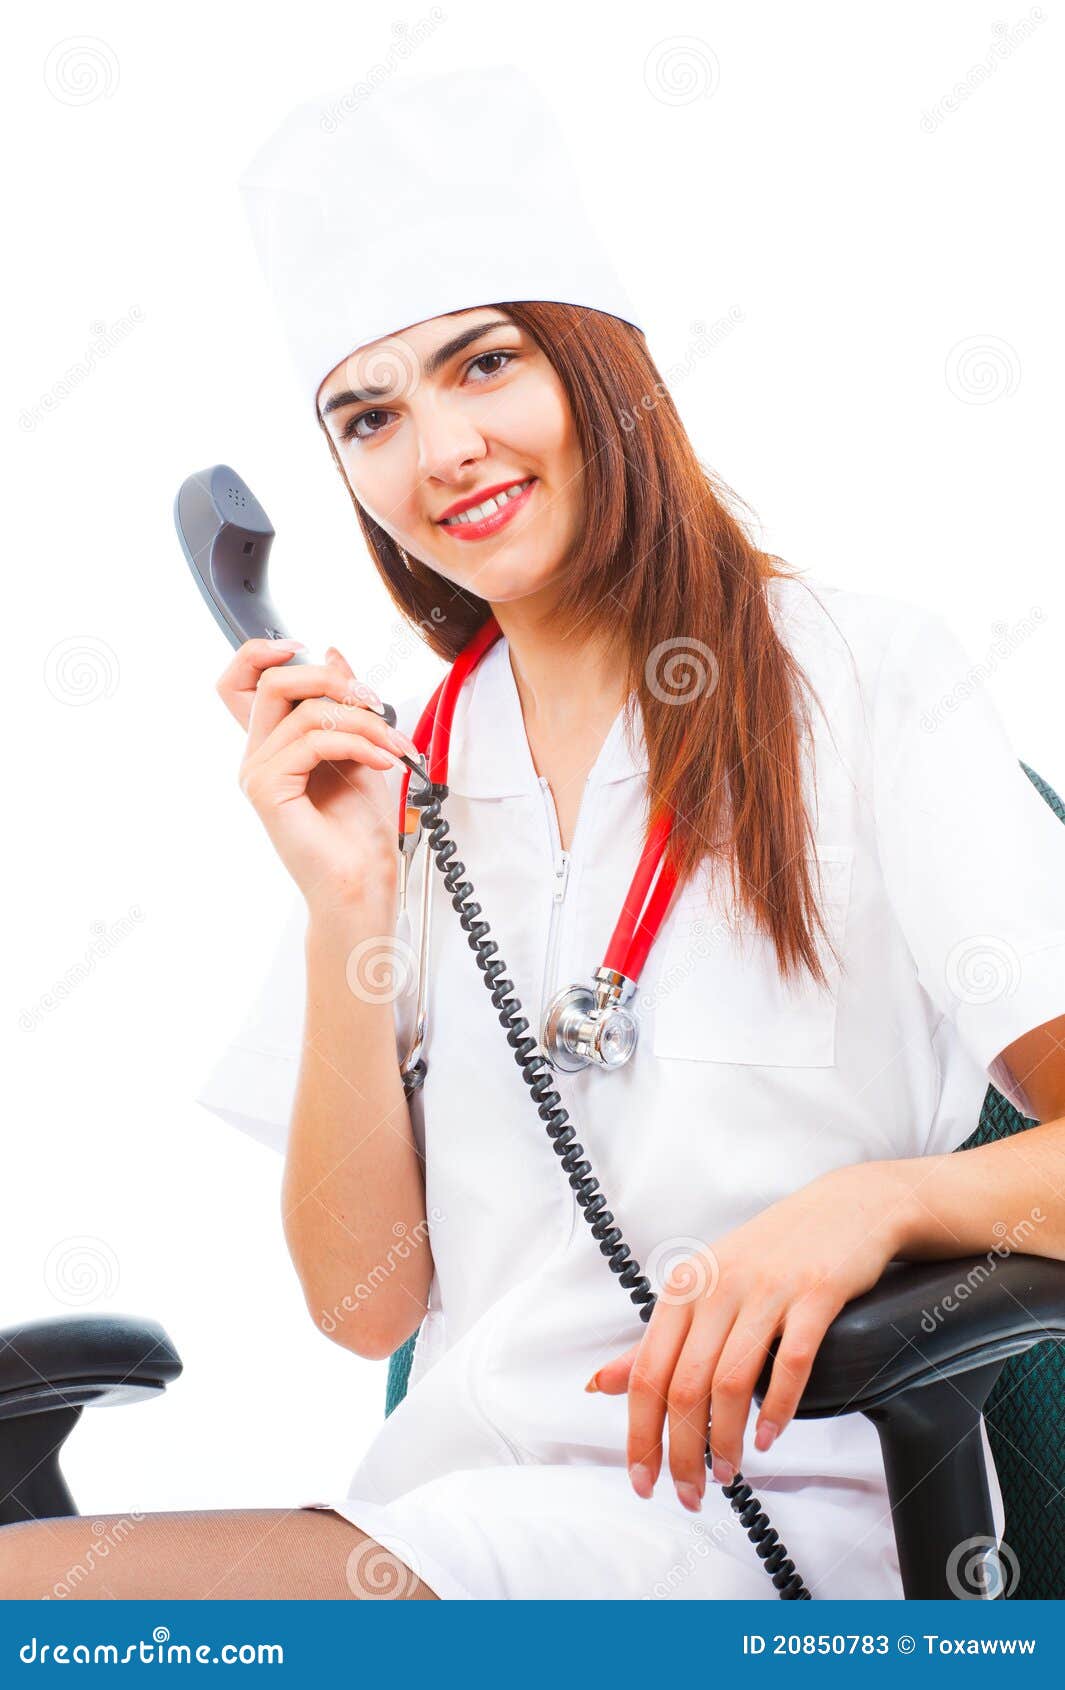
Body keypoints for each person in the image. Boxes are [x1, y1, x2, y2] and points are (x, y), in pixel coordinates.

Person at [5, 66, 1065, 1605]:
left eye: (484, 362)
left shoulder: (861, 680)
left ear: (602, 366)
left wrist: (877, 1203)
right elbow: (363, 1308)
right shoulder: (403, 770)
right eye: (369, 414)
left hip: (766, 1529)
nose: (439, 451)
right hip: (447, 1524)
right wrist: (347, 906)